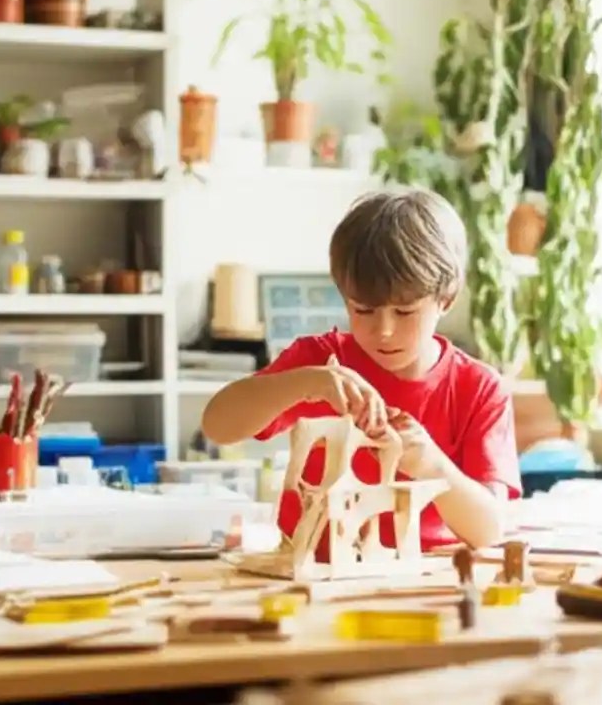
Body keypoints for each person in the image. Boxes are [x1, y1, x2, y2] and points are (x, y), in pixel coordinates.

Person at [201, 188, 520, 557]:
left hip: (425, 574)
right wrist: (306, 383)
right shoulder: (321, 360)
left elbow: (490, 530)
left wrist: (432, 466)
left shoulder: (479, 389)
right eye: (363, 310)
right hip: (315, 569)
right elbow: (218, 425)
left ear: (445, 300)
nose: (383, 330)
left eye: (404, 313)